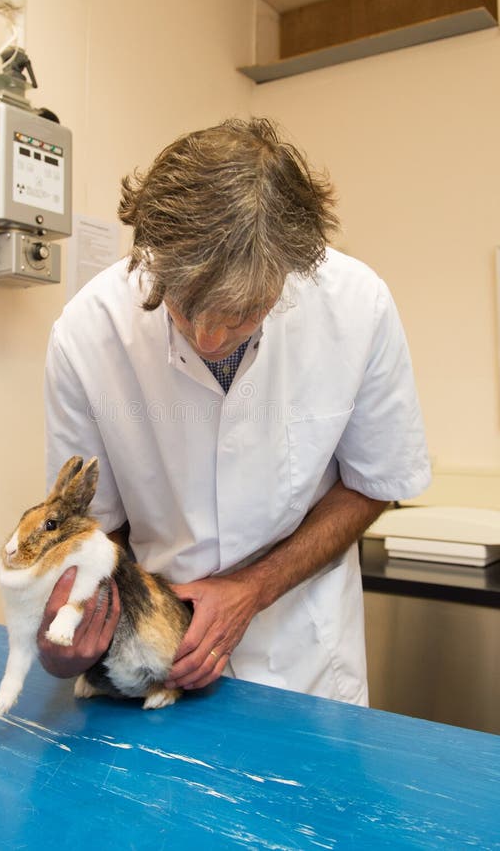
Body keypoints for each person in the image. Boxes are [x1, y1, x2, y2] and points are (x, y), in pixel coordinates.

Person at [39, 118, 430, 706]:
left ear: (293, 272)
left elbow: (374, 482)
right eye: (184, 303)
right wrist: (75, 624)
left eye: (242, 312)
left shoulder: (357, 308)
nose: (208, 335)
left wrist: (252, 588)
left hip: (304, 661)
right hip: (157, 659)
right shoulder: (87, 333)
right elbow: (94, 523)